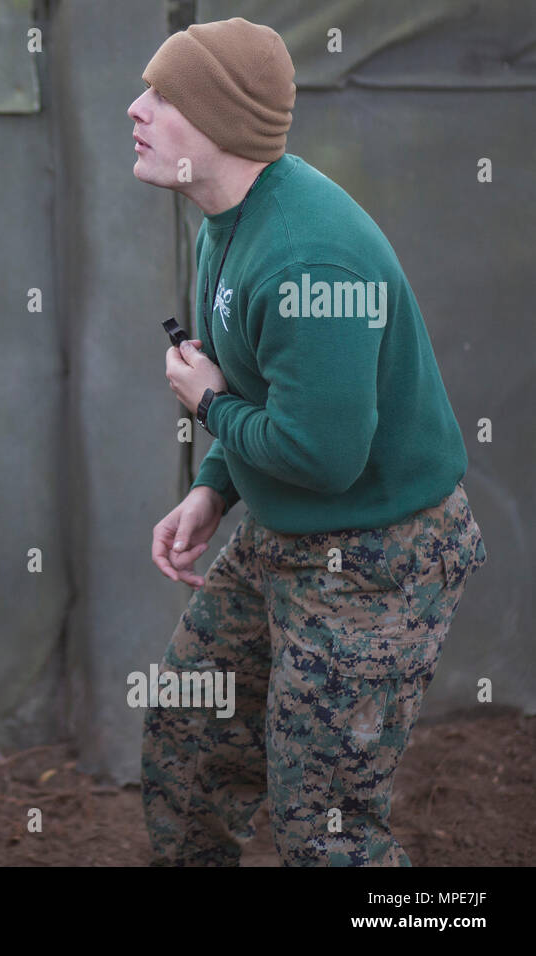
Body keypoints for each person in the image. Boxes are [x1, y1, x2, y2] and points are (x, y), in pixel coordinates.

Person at [129, 18, 487, 865]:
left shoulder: (306, 260)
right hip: (286, 536)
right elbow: (262, 390)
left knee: (325, 832)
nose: (137, 109)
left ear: (221, 124)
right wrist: (213, 487)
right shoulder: (224, 214)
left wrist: (210, 410)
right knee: (190, 742)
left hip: (378, 555)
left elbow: (326, 459)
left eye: (165, 97)